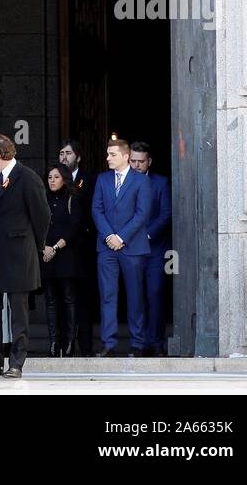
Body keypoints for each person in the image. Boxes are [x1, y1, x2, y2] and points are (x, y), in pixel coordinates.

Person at [0, 134, 50, 380]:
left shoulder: (27, 178)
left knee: (18, 313)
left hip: (18, 255)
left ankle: (16, 363)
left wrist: (33, 247)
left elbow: (42, 216)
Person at [92, 138, 152, 357]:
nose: (108, 158)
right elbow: (96, 210)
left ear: (125, 157)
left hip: (132, 247)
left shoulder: (141, 181)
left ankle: (137, 343)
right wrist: (109, 236)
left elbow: (142, 213)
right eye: (107, 154)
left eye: (112, 154)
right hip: (107, 247)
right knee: (107, 295)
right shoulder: (102, 179)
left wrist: (121, 237)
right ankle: (109, 343)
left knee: (135, 296)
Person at [130, 141, 172, 356]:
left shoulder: (160, 183)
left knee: (154, 294)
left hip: (154, 250)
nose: (136, 165)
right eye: (133, 161)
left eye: (141, 161)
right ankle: (138, 343)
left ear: (149, 162)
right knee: (135, 296)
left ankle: (155, 342)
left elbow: (165, 214)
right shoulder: (122, 183)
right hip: (130, 250)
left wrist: (146, 234)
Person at [59, 137, 97, 356]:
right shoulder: (54, 180)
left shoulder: (89, 180)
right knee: (63, 299)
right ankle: (64, 345)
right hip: (61, 250)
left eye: (68, 153)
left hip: (83, 248)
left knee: (83, 299)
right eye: (61, 154)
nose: (64, 157)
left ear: (78, 157)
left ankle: (85, 346)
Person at [41, 163, 83, 356]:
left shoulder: (72, 198)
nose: (52, 180)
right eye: (49, 177)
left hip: (66, 254)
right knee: (50, 300)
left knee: (68, 299)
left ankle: (69, 342)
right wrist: (44, 249)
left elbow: (75, 226)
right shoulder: (43, 199)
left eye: (56, 177)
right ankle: (53, 342)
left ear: (64, 179)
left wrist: (56, 247)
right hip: (46, 254)